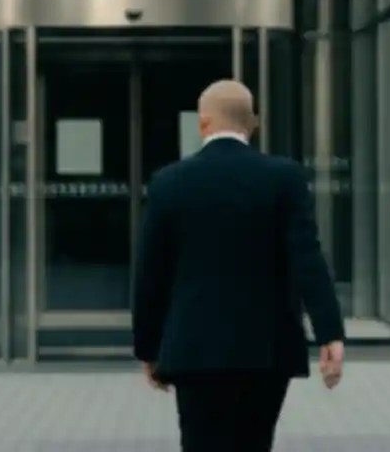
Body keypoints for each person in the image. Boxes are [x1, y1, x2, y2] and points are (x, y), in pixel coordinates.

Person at [132, 79, 346, 452]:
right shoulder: (285, 178)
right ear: (254, 123)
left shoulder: (169, 183)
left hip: (194, 348)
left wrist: (148, 348)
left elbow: (151, 273)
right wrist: (330, 332)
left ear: (202, 124)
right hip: (266, 349)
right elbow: (307, 258)